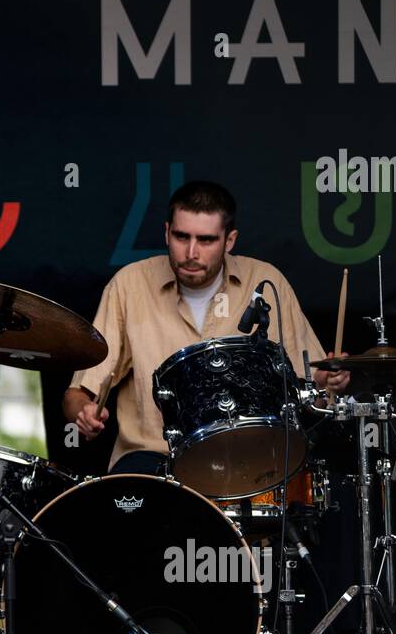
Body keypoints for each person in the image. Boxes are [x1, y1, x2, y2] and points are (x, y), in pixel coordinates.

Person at [63, 180, 350, 475]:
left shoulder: (267, 283)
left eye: (206, 240)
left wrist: (326, 382)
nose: (190, 252)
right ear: (166, 233)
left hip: (250, 464)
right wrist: (82, 413)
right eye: (181, 236)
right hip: (154, 463)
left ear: (230, 241)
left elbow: (311, 391)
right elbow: (77, 395)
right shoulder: (129, 286)